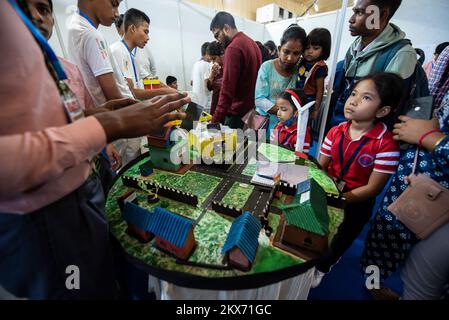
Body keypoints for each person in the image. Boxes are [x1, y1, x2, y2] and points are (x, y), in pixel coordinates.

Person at [0, 0, 189, 299]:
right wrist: (108, 125)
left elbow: (35, 120)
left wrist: (94, 116)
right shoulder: (89, 34)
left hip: (74, 190)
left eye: (44, 7)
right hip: (43, 217)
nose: (37, 16)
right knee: (76, 290)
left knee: (99, 281)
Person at [361, 46, 449, 300]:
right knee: (383, 245)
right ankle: (373, 285)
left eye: (366, 97)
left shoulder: (382, 143)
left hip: (436, 195)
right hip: (411, 186)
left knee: (426, 275)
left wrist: (430, 138)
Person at [313, 73, 403, 287]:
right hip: (331, 192)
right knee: (321, 231)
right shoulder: (335, 131)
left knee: (340, 240)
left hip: (357, 203)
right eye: (353, 93)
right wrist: (329, 190)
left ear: (382, 111)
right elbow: (321, 166)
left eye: (366, 98)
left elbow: (373, 188)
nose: (352, 100)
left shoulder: (386, 144)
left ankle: (325, 267)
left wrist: (341, 199)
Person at [330, 0, 417, 127]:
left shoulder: (401, 54)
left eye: (359, 13)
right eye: (354, 12)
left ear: (381, 15)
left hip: (366, 139)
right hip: (340, 128)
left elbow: (388, 111)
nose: (351, 19)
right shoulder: (355, 45)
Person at [210, 11, 262, 129]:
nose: (217, 40)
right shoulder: (252, 43)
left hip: (237, 115)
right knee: (248, 146)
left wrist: (214, 121)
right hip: (252, 111)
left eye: (217, 35)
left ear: (226, 28)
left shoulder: (233, 48)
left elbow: (227, 91)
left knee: (230, 147)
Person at [110, 8, 174, 100]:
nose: (148, 38)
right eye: (145, 32)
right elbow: (132, 92)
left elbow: (148, 78)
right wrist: (165, 91)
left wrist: (169, 89)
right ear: (132, 28)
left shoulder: (132, 56)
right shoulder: (118, 51)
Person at [255, 24, 306, 135]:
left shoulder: (300, 72)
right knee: (255, 150)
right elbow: (259, 99)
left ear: (301, 54)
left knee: (277, 151)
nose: (290, 58)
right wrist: (283, 111)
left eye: (296, 53)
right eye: (286, 52)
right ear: (279, 50)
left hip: (285, 128)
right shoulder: (267, 67)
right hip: (261, 123)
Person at [296, 28, 331, 120]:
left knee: (304, 123)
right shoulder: (302, 61)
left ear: (324, 50)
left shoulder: (320, 68)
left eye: (315, 48)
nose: (310, 51)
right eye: (307, 48)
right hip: (297, 95)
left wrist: (316, 110)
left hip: (309, 99)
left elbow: (320, 90)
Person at [205, 41, 224, 116]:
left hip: (223, 110)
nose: (213, 62)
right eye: (212, 60)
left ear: (221, 55)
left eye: (214, 59)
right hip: (215, 108)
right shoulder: (216, 69)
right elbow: (209, 88)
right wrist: (212, 75)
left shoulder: (228, 69)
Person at [190, 42, 212, 110]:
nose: (212, 58)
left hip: (195, 103)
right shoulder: (208, 65)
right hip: (205, 104)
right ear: (207, 53)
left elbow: (191, 83)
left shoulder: (196, 64)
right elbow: (208, 87)